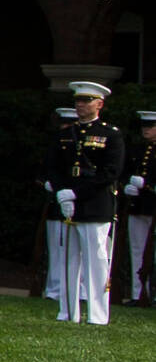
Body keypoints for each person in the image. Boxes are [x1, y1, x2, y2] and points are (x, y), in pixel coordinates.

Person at [49, 81, 124, 325]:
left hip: (96, 206)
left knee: (96, 262)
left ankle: (97, 315)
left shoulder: (110, 135)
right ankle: (67, 312)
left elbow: (109, 173)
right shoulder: (64, 135)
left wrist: (75, 193)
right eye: (78, 100)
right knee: (69, 260)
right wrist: (61, 192)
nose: (80, 105)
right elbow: (55, 168)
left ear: (99, 104)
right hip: (70, 205)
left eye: (86, 100)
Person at [39, 107, 77, 301]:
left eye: (69, 124)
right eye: (64, 124)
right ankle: (54, 288)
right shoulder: (56, 144)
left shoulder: (79, 145)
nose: (65, 128)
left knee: (73, 250)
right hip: (56, 201)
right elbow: (47, 167)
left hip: (75, 200)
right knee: (55, 247)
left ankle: (73, 288)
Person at [120, 110, 156, 304]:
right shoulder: (137, 150)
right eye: (144, 126)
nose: (146, 130)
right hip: (137, 206)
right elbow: (123, 172)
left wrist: (148, 185)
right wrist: (126, 186)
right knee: (137, 249)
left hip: (153, 207)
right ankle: (138, 293)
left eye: (151, 126)